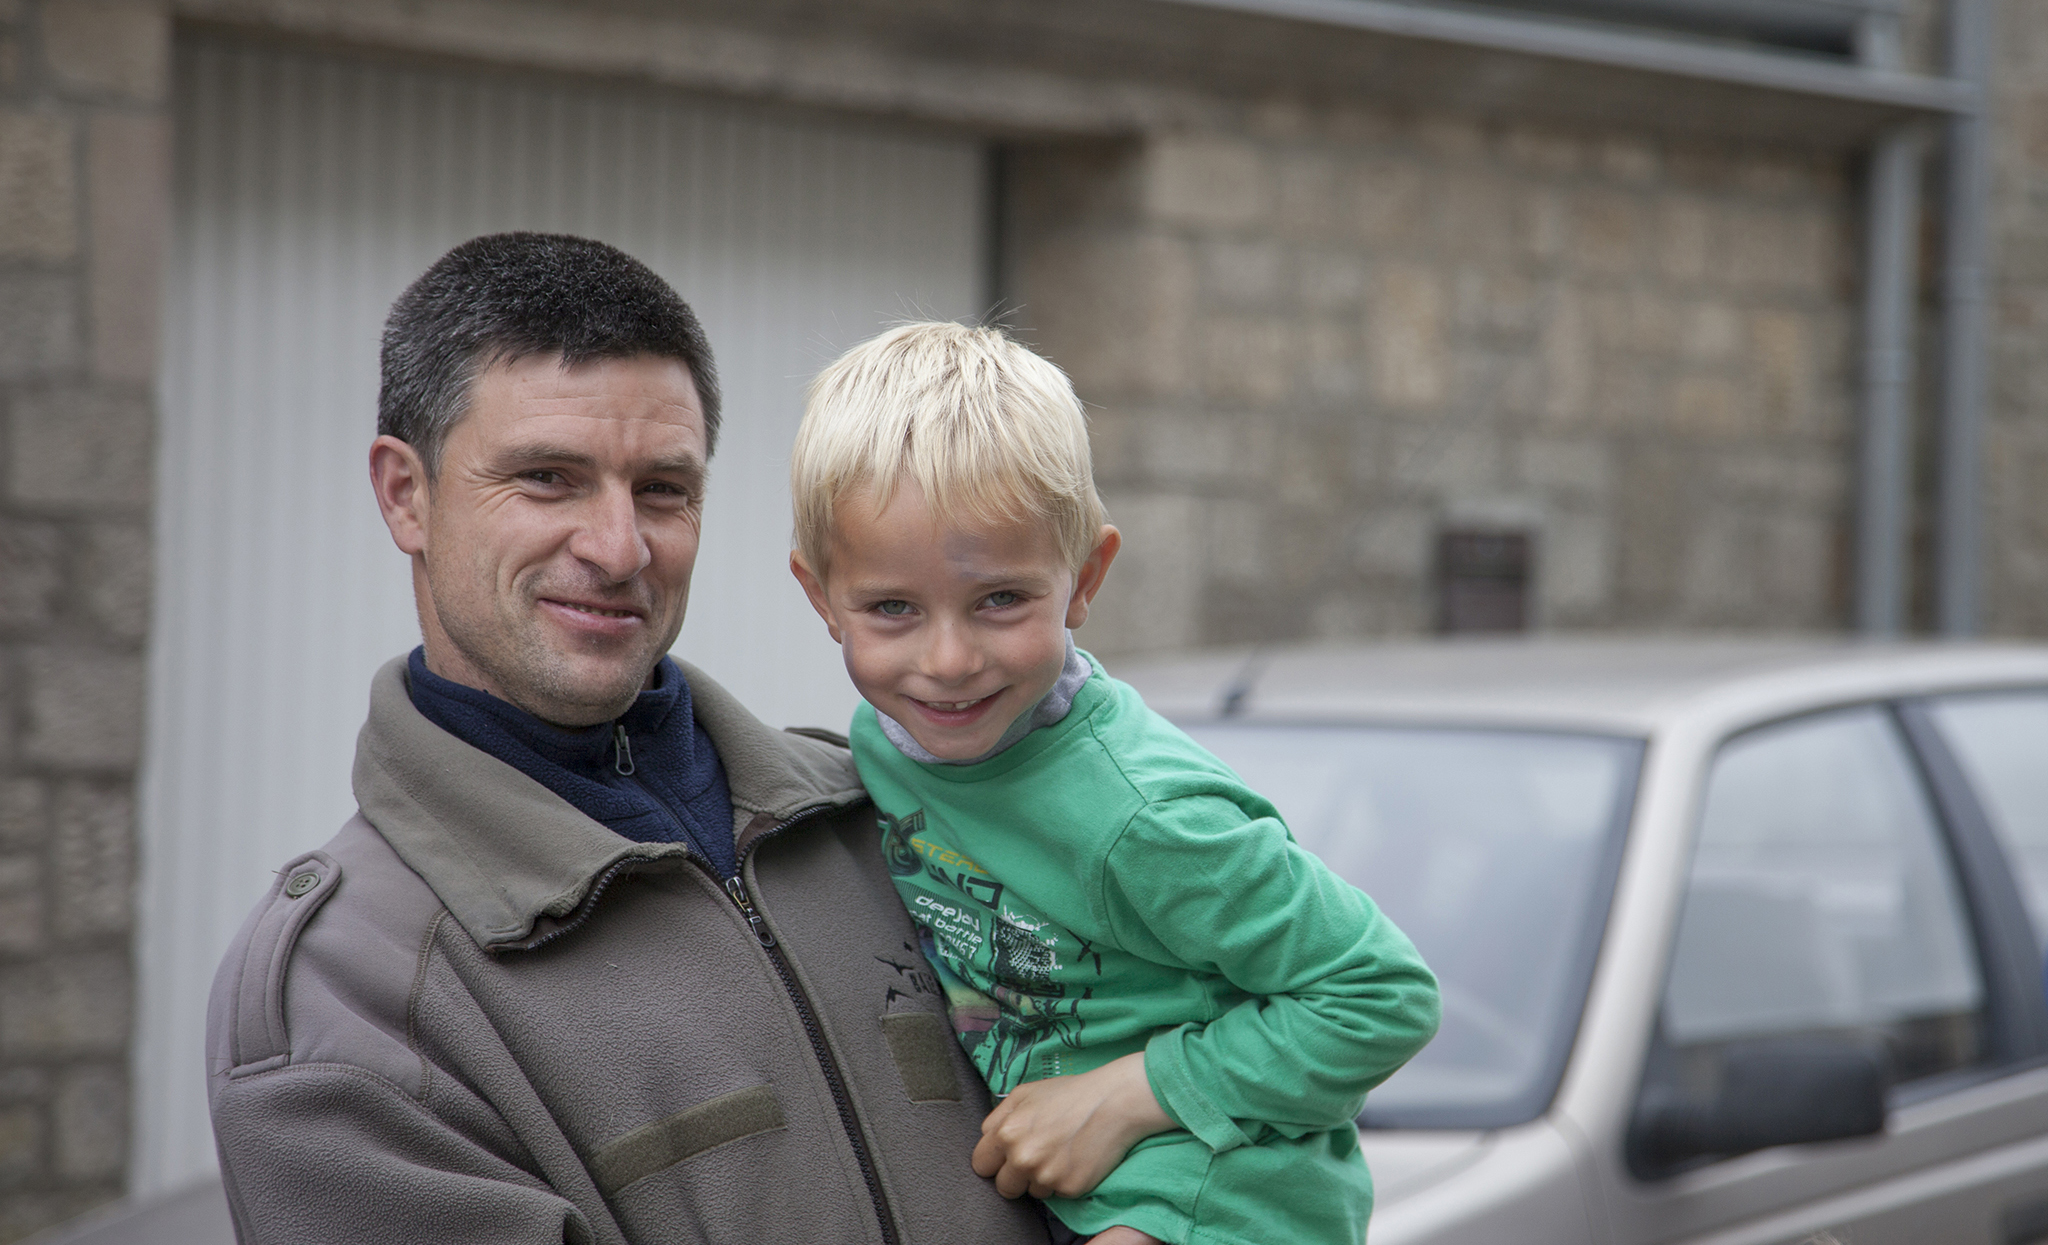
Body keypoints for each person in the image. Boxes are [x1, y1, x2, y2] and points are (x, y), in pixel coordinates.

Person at [204, 234, 1053, 1245]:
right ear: (405, 494)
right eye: (547, 479)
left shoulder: (894, 817)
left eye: (662, 489)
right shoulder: (346, 997)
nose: (618, 549)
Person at [788, 322, 1443, 1245]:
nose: (947, 659)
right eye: (892, 608)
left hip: (1210, 1191)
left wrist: (1130, 1094)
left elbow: (1383, 993)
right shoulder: (881, 746)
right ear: (822, 598)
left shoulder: (1146, 816)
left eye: (1001, 600)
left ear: (1085, 577)